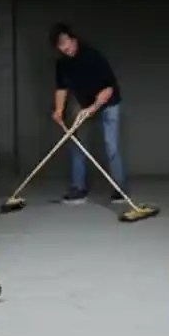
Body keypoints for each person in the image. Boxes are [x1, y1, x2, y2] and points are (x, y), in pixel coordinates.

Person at [50, 22, 128, 204]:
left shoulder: (92, 56)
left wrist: (92, 109)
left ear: (73, 39)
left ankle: (120, 189)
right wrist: (59, 110)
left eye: (67, 43)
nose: (65, 48)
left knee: (111, 146)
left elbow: (108, 89)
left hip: (108, 103)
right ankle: (78, 188)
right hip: (85, 104)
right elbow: (61, 88)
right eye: (61, 46)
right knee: (77, 143)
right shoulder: (62, 63)